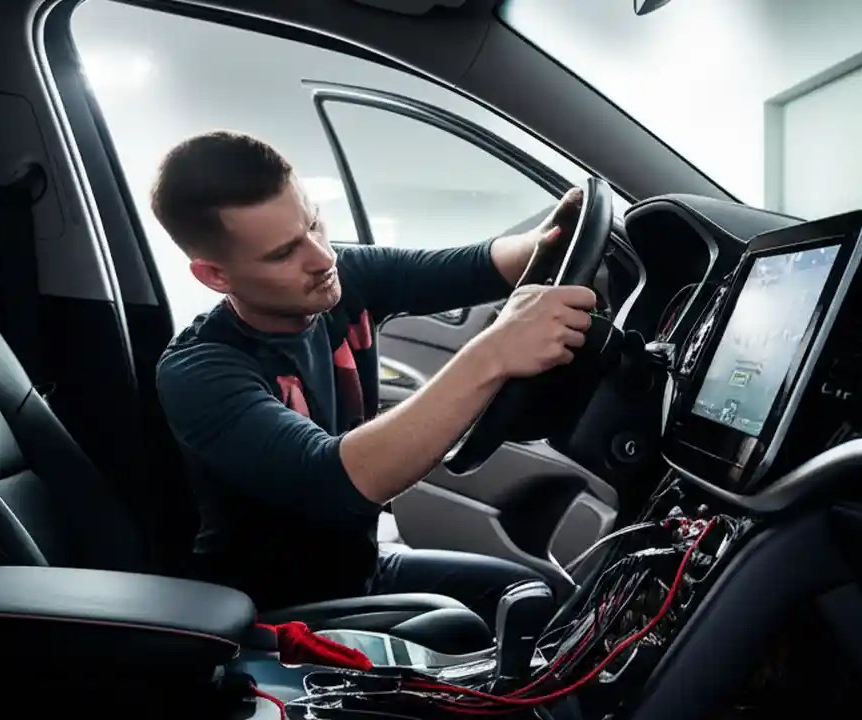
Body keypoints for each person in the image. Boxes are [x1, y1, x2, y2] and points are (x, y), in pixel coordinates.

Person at [151, 131, 595, 627]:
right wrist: (494, 353)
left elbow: (480, 266)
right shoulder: (200, 372)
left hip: (361, 571)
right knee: (467, 626)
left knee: (543, 599)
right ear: (215, 276)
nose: (323, 257)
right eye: (283, 254)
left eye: (314, 224)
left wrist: (555, 237)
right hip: (274, 614)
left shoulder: (344, 277)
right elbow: (338, 483)